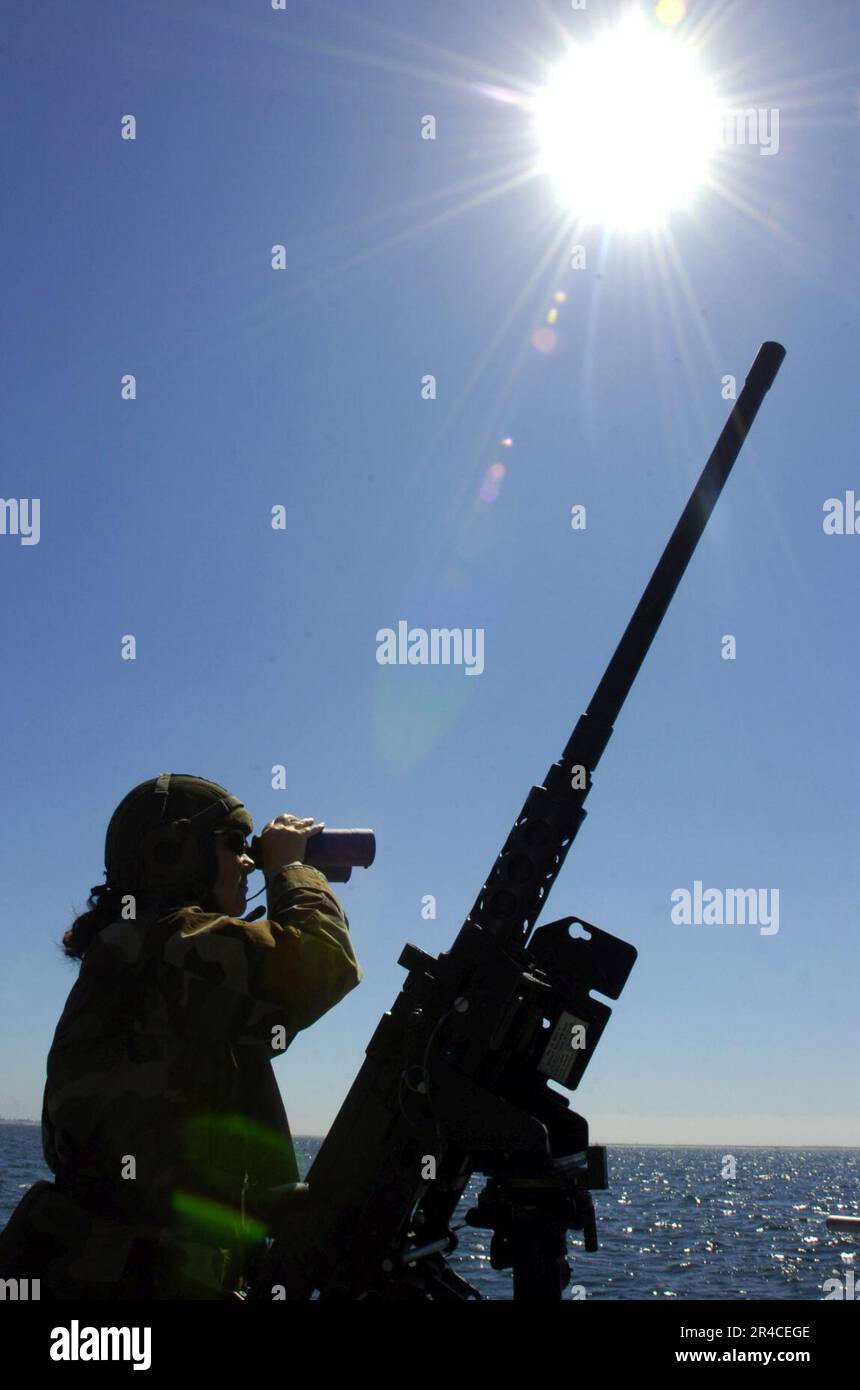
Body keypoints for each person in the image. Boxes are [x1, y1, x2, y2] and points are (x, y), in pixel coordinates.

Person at [0, 773, 362, 1299]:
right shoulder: (160, 943)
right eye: (234, 845)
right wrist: (290, 867)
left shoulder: (146, 950)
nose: (247, 861)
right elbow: (321, 962)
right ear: (172, 854)